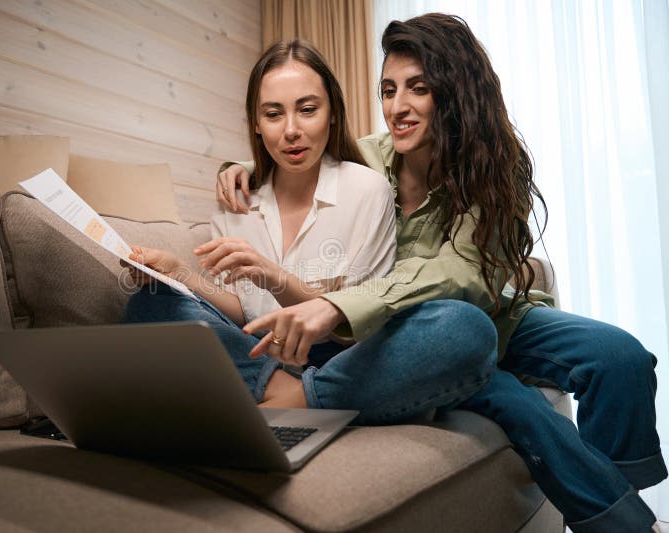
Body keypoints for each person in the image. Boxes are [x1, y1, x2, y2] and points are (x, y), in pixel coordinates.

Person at [216, 14, 665, 533]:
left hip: (492, 313)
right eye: (388, 90)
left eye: (418, 88)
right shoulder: (368, 159)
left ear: (455, 93)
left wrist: (336, 305)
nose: (397, 107)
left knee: (621, 357)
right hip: (416, 334)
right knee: (512, 398)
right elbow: (299, 155)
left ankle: (619, 500)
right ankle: (621, 524)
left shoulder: (497, 169)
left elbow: (461, 273)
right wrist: (243, 169)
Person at [122, 39, 497, 425]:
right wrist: (181, 274)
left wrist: (274, 276)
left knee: (464, 329)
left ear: (332, 114)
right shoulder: (236, 199)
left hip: (344, 358)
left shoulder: (368, 189)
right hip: (262, 355)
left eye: (307, 110)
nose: (291, 131)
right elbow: (246, 313)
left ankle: (298, 399)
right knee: (149, 304)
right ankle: (279, 389)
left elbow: (355, 327)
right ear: (256, 122)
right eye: (273, 114)